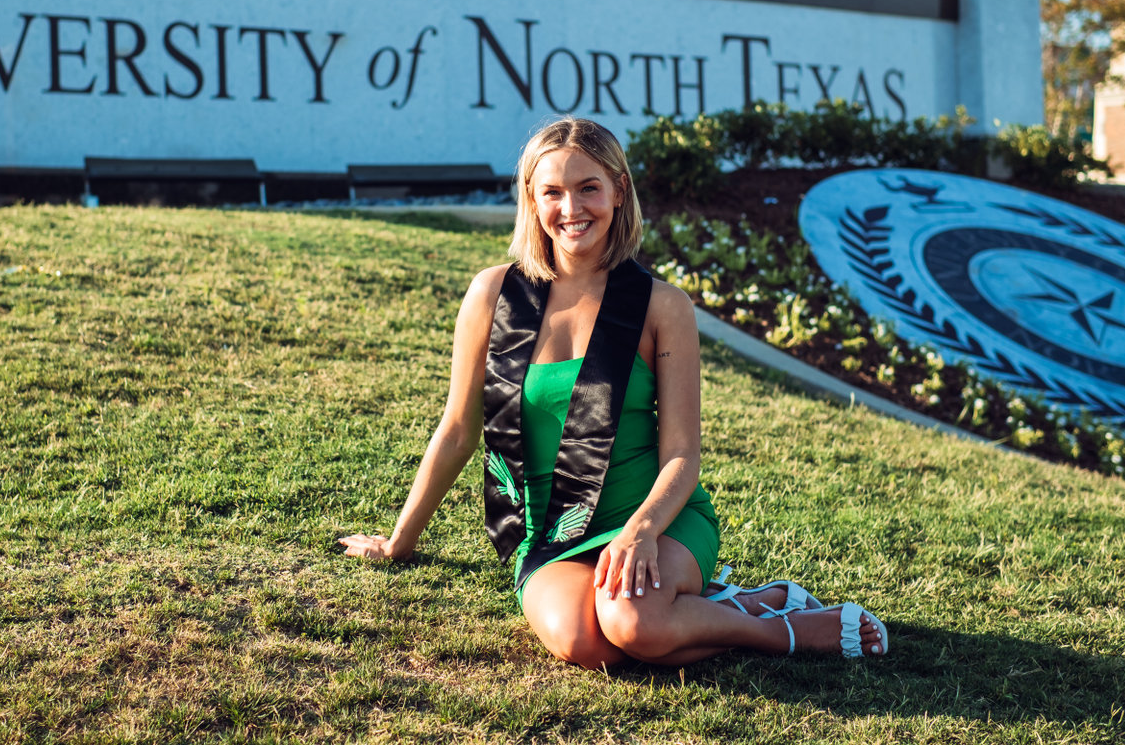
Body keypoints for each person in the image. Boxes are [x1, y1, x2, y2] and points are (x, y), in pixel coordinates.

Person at [340, 117, 888, 667]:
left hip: (657, 518)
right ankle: (739, 602)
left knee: (634, 622)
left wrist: (641, 532)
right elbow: (459, 429)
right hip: (553, 531)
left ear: (619, 190)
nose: (571, 208)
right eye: (552, 191)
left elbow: (682, 454)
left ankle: (784, 629)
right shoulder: (492, 294)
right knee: (588, 642)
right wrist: (398, 543)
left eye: (588, 188)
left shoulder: (662, 307)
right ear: (531, 199)